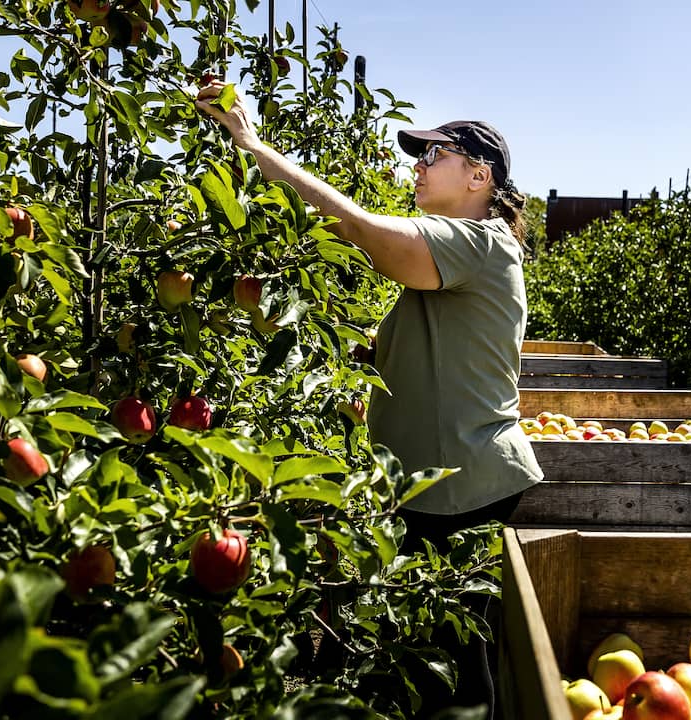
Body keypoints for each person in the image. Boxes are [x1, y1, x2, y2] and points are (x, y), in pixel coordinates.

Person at [196, 79, 542, 716]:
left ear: (479, 176)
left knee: (450, 672)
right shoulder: (462, 259)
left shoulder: (479, 241)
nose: (418, 166)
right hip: (438, 477)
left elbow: (359, 228)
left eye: (434, 155)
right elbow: (405, 351)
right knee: (433, 655)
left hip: (459, 482)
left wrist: (252, 144)